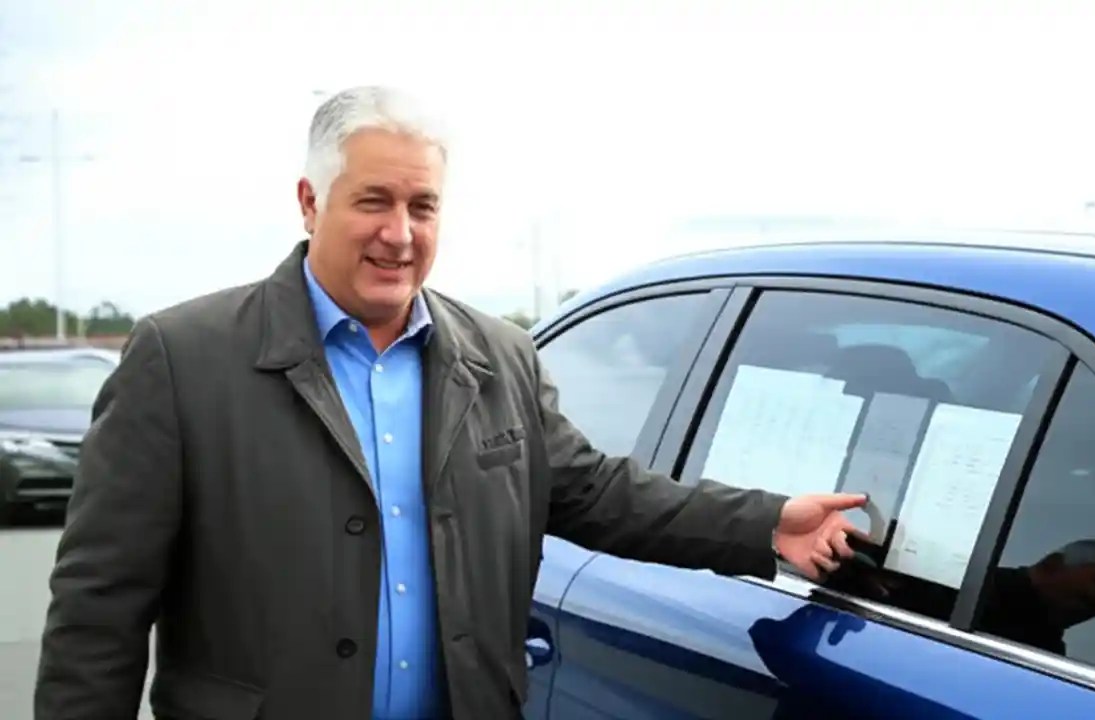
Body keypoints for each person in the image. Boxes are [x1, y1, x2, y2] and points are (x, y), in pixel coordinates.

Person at [33, 85, 868, 720]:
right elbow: (99, 608)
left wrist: (766, 524)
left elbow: (596, 492)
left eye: (421, 206)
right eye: (373, 201)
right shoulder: (182, 358)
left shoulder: (499, 357)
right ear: (310, 201)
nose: (400, 233)